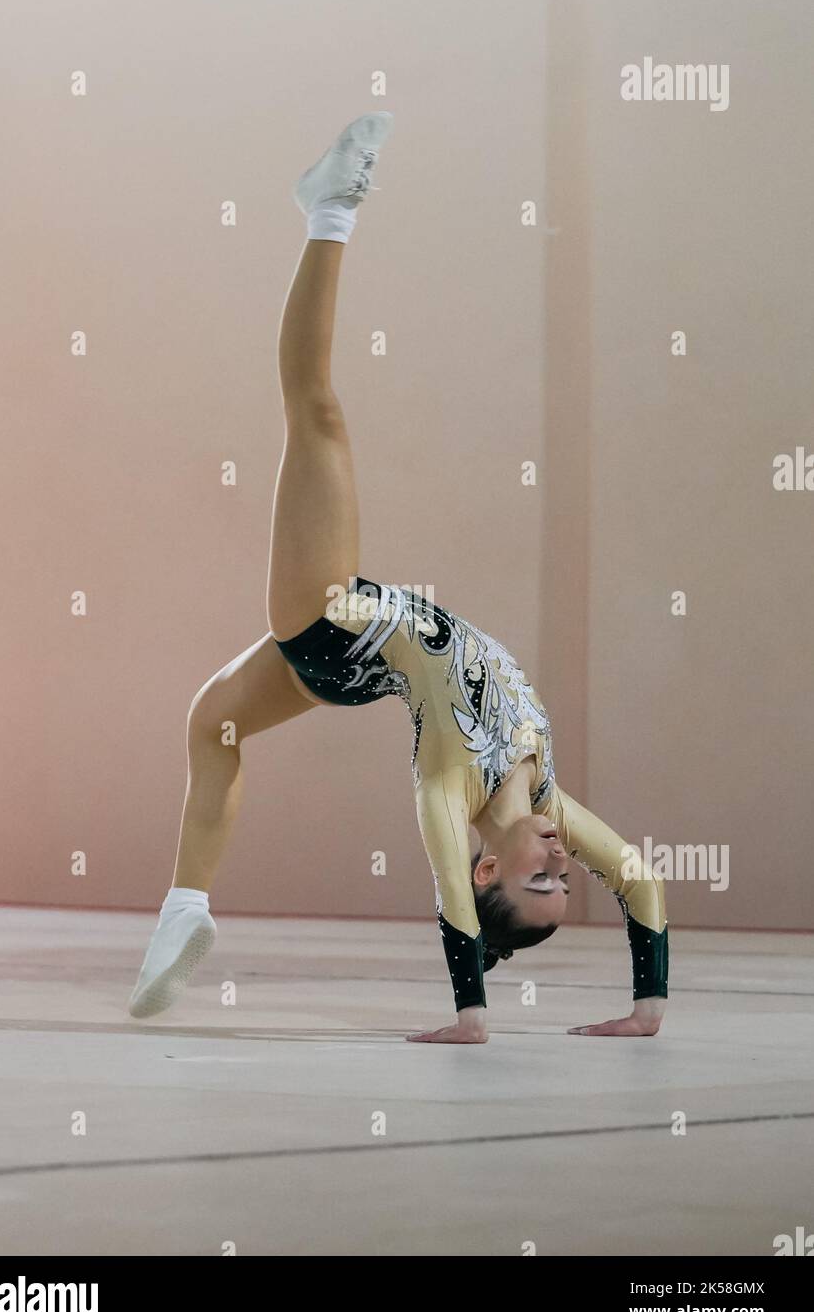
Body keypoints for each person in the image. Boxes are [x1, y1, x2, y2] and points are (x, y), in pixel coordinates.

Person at [128, 113, 668, 1044]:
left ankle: (327, 211)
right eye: (564, 883)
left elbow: (448, 892)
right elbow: (641, 877)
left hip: (330, 617)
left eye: (538, 880)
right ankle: (182, 911)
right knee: (208, 723)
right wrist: (648, 1009)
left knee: (318, 414)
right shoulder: (542, 807)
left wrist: (470, 1015)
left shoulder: (444, 795)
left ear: (487, 872)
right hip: (346, 665)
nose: (560, 865)